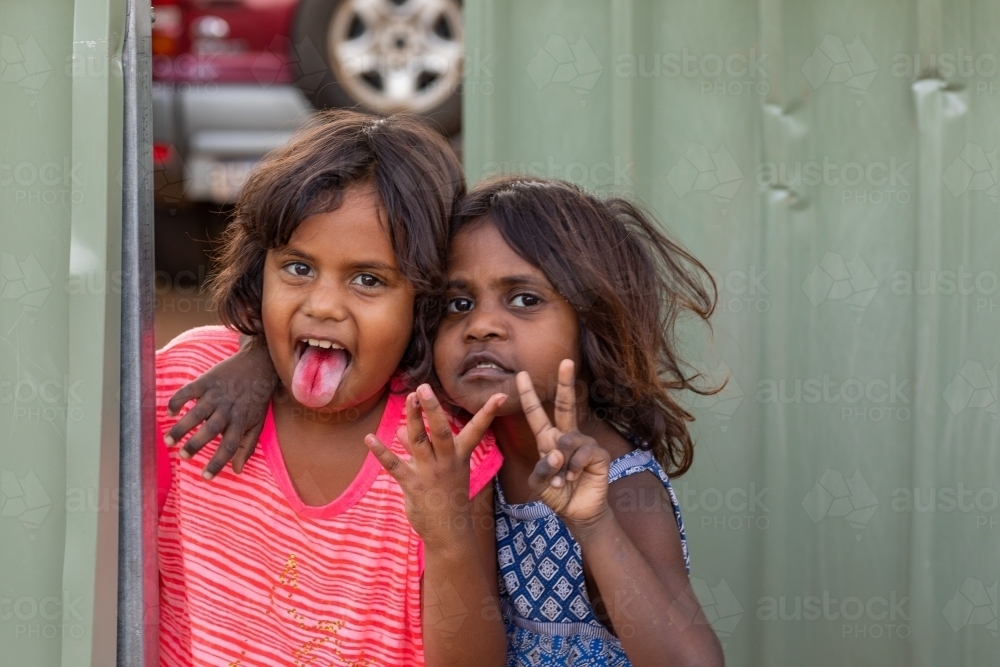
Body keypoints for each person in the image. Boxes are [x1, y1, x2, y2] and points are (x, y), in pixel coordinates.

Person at [169, 176, 725, 666]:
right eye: (458, 305)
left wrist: (595, 525)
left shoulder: (621, 485)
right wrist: (260, 354)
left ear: (593, 322)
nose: (482, 325)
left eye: (524, 300)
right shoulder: (448, 429)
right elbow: (339, 336)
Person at [155, 111, 507, 667]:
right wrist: (255, 352)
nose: (321, 304)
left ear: (425, 303)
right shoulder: (189, 385)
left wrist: (446, 533)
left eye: (368, 280)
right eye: (297, 268)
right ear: (259, 270)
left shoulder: (442, 451)